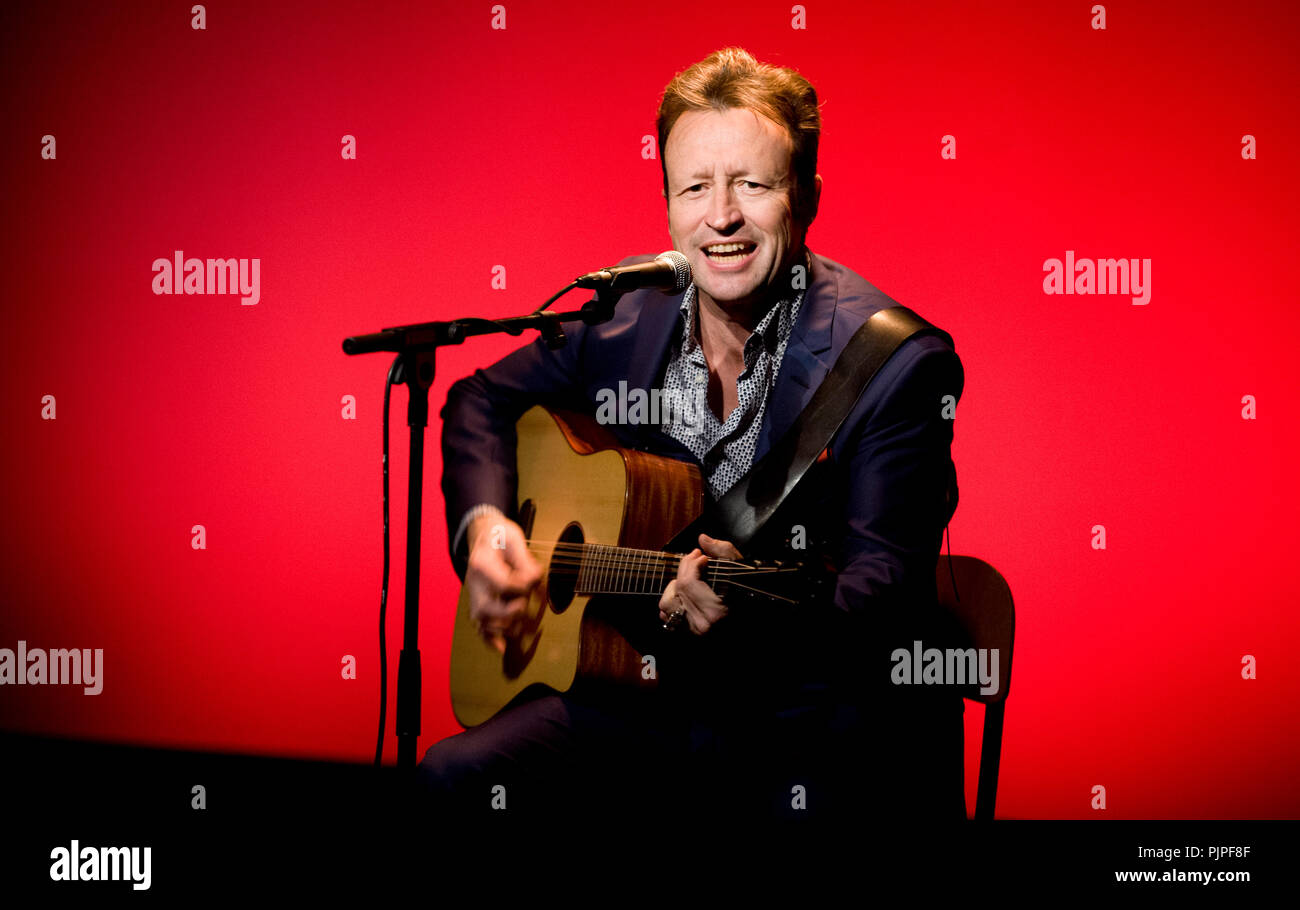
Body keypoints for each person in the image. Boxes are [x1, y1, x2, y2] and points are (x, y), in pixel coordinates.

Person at [418, 47, 967, 823]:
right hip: (643, 700)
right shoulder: (622, 317)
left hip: (802, 731)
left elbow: (879, 598)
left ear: (806, 197)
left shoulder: (892, 364)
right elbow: (478, 400)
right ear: (669, 205)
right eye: (695, 188)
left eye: (752, 184)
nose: (721, 217)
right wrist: (488, 531)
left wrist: (750, 609)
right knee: (452, 775)